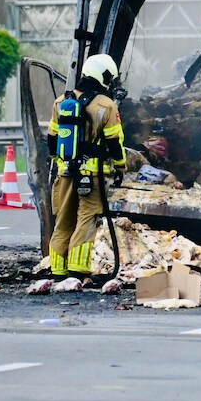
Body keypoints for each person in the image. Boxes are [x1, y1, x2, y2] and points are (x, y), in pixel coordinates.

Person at [45, 53, 127, 283]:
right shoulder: (106, 105)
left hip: (65, 173)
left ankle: (57, 271)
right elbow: (114, 142)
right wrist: (120, 167)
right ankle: (78, 271)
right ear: (102, 76)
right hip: (92, 177)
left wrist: (62, 163)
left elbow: (51, 140)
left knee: (63, 220)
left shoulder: (61, 102)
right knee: (87, 219)